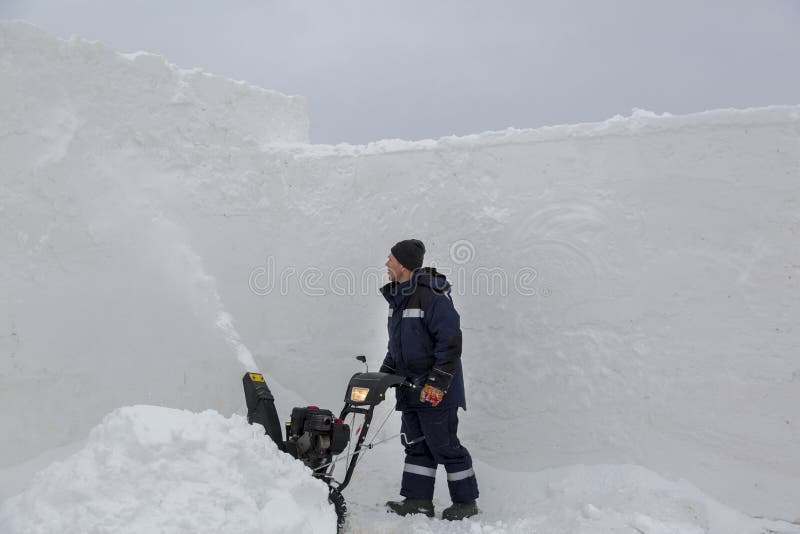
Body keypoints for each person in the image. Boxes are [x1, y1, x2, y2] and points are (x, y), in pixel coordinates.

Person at [379, 239, 479, 520]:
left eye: (391, 259)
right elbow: (397, 347)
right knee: (416, 444)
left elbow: (449, 342)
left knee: (444, 444)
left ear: (404, 264)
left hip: (435, 389)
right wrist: (383, 376)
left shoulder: (432, 296)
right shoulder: (399, 298)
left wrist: (437, 382)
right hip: (410, 389)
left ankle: (466, 502)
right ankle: (418, 501)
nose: (387, 264)